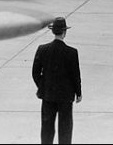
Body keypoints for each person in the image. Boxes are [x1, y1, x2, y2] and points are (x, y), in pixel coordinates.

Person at [32, 17, 82, 145]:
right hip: (65, 96)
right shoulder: (72, 52)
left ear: (53, 31)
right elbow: (75, 75)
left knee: (47, 127)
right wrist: (78, 92)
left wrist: (42, 86)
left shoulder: (42, 49)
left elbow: (35, 73)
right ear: (65, 32)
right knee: (65, 128)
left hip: (48, 94)